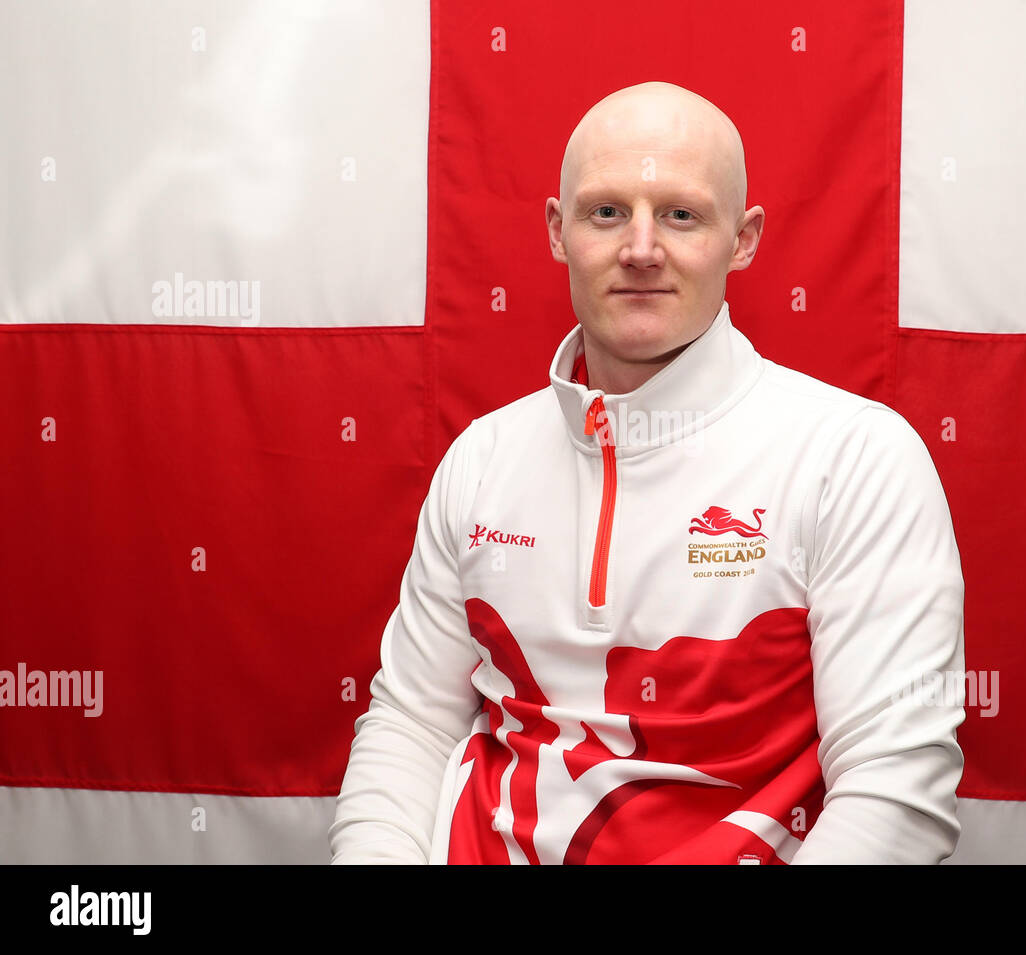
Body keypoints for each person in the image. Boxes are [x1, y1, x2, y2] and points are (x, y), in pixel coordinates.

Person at [330, 81, 967, 864]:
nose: (640, 248)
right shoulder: (483, 457)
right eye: (606, 212)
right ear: (558, 232)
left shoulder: (855, 458)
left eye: (680, 214)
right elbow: (411, 722)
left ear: (744, 238)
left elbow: (896, 788)